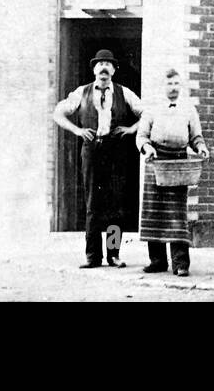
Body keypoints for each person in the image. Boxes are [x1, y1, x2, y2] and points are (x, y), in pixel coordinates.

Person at [53, 50, 144, 268]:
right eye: (100, 64)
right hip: (92, 151)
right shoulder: (81, 93)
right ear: (94, 69)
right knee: (93, 203)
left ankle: (113, 254)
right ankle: (92, 256)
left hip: (116, 153)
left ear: (114, 70)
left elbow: (147, 114)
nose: (104, 68)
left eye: (108, 64)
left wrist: (132, 129)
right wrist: (77, 130)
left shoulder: (125, 93)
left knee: (116, 205)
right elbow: (58, 113)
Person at [135, 68, 209, 277]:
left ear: (181, 86)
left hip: (178, 165)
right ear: (163, 86)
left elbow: (196, 136)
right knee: (154, 214)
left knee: (177, 216)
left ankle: (181, 264)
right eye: (169, 84)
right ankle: (157, 261)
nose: (173, 87)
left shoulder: (189, 109)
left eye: (176, 83)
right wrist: (147, 148)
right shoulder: (152, 109)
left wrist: (201, 147)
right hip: (156, 162)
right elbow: (141, 136)